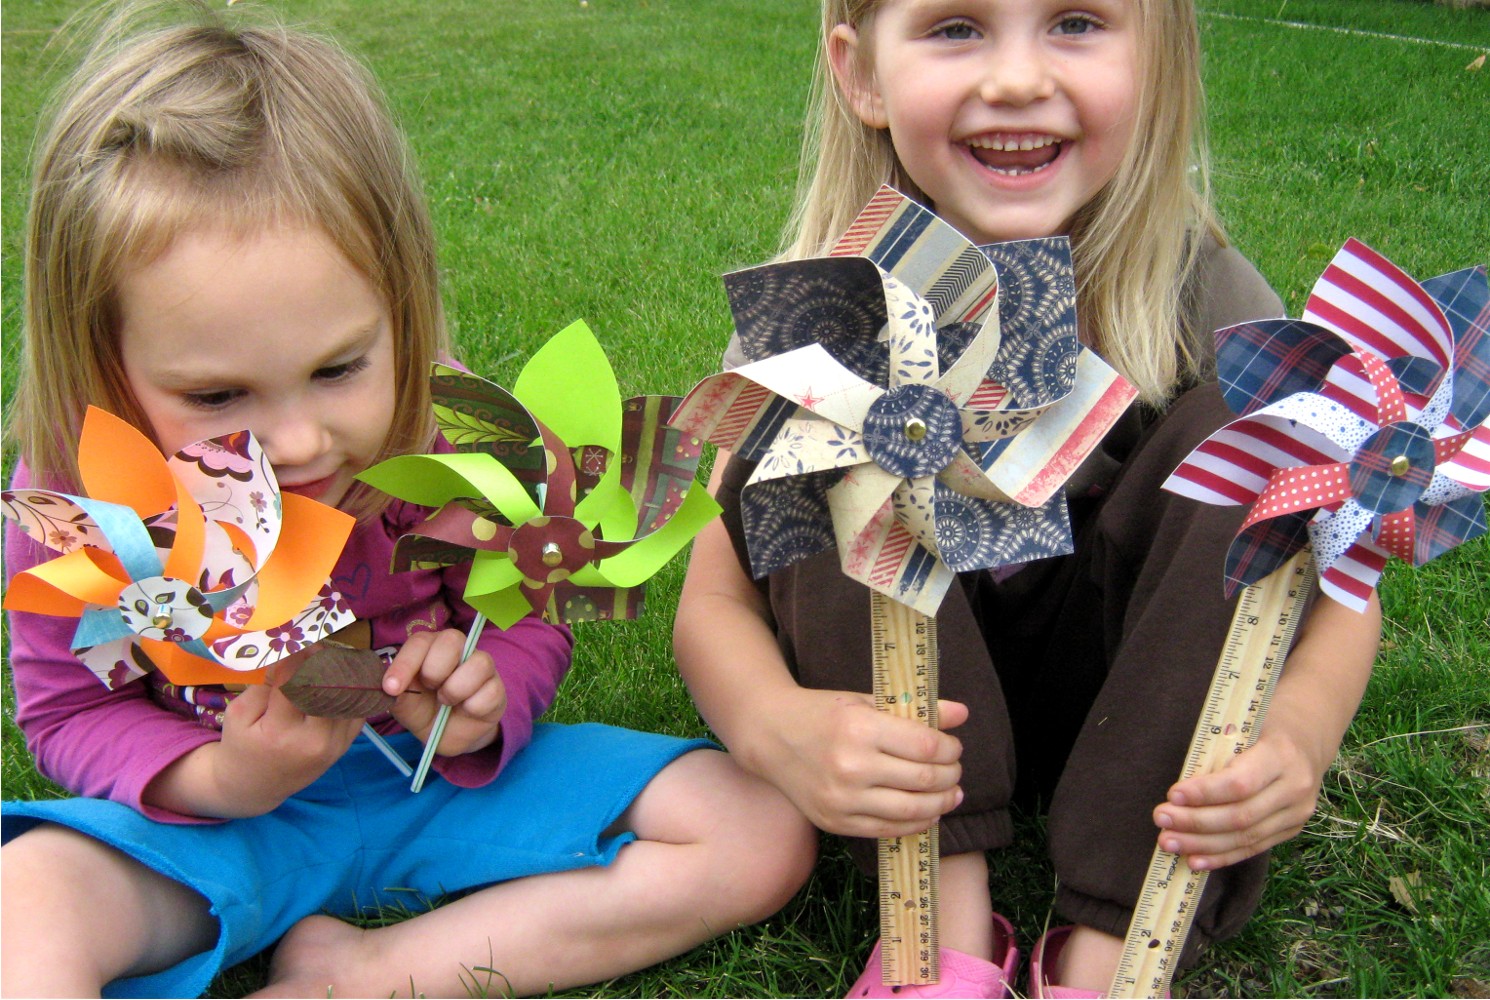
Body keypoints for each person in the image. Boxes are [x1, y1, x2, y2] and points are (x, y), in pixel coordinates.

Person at [0, 5, 815, 997]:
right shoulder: (84, 508)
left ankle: (374, 969)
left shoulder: (458, 438)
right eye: (216, 397)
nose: (299, 439)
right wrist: (226, 778)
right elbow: (70, 713)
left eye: (339, 367)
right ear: (100, 362)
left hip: (432, 788)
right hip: (220, 827)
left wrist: (484, 698)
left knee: (755, 829)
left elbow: (528, 608)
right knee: (25, 901)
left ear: (402, 306)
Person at [673, 2, 1381, 997]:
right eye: (956, 26)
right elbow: (713, 592)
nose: (1013, 77)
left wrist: (1298, 731)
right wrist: (769, 722)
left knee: (1261, 429)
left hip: (1125, 692)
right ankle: (940, 934)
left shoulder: (1203, 296)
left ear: (1160, 65)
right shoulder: (823, 310)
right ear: (860, 72)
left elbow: (1336, 581)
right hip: (902, 698)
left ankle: (1108, 947)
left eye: (1075, 22)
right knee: (814, 420)